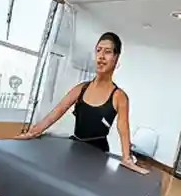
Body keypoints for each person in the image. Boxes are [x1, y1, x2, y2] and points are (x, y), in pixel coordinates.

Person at [16, 32, 149, 175]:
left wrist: (127, 158)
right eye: (98, 50)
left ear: (116, 58)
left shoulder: (119, 97)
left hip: (97, 154)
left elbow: (123, 129)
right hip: (74, 147)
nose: (101, 56)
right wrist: (33, 132)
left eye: (107, 52)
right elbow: (57, 112)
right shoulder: (81, 89)